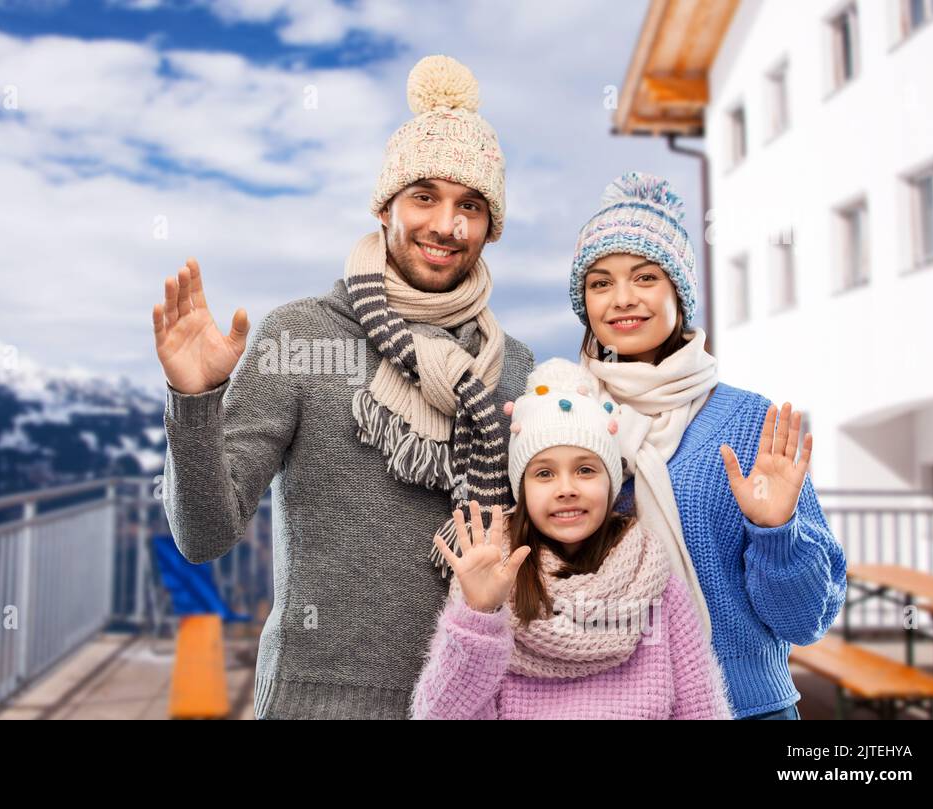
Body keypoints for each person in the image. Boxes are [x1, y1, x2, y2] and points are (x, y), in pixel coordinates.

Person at [152, 55, 534, 719]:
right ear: (386, 206)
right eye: (425, 197)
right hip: (314, 704)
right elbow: (204, 535)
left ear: (489, 226)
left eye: (470, 205)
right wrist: (194, 404)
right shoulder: (300, 335)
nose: (447, 225)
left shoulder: (515, 367)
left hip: (474, 701)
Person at [567, 172, 846, 719]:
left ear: (679, 291)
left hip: (743, 707)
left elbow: (805, 621)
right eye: (600, 283)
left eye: (644, 277)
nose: (622, 298)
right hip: (607, 705)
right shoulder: (571, 420)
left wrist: (775, 533)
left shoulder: (748, 422)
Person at [411, 358, 733, 719]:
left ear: (610, 482)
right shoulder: (495, 585)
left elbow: (702, 711)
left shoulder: (657, 588)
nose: (566, 489)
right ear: (522, 489)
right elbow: (439, 714)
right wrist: (480, 614)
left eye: (585, 470)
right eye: (545, 473)